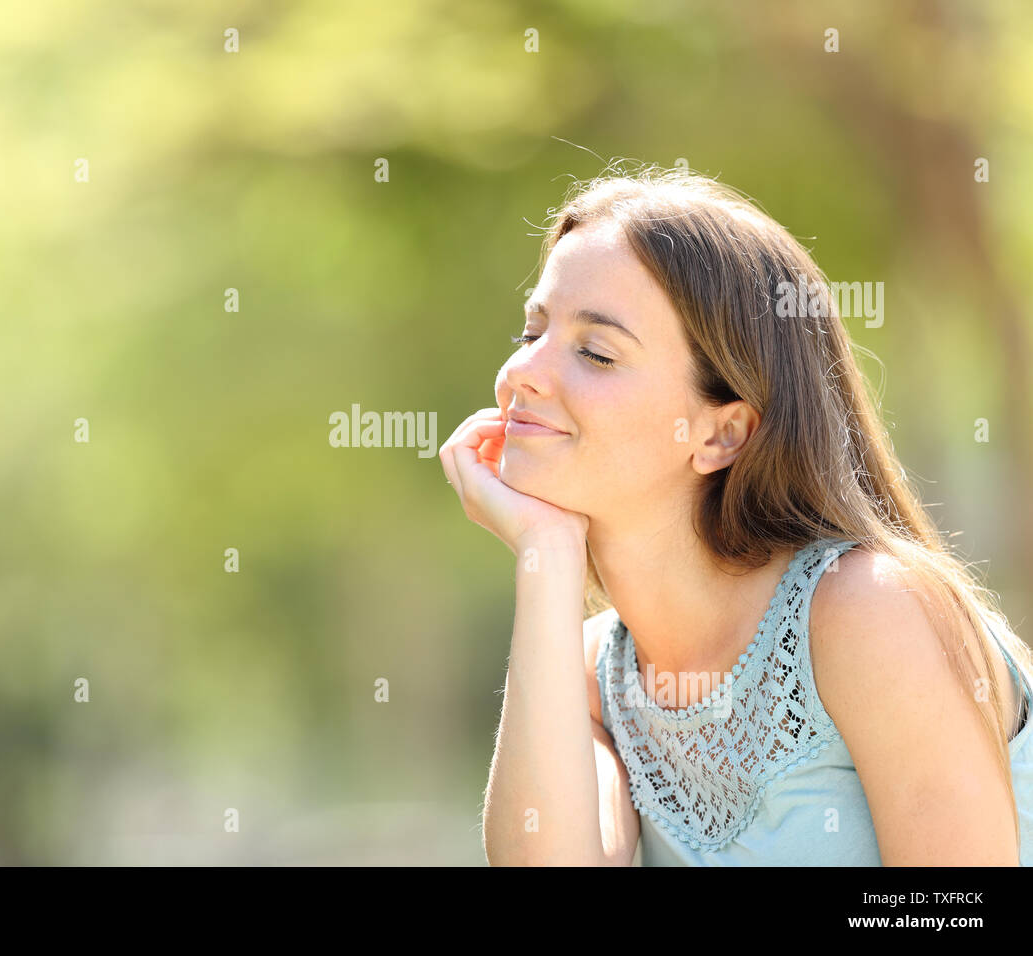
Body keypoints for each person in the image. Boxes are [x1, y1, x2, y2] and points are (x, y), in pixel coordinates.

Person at [441, 164, 1033, 866]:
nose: (522, 374)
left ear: (722, 434)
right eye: (530, 333)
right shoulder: (595, 675)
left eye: (596, 352)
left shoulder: (869, 611)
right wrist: (545, 551)